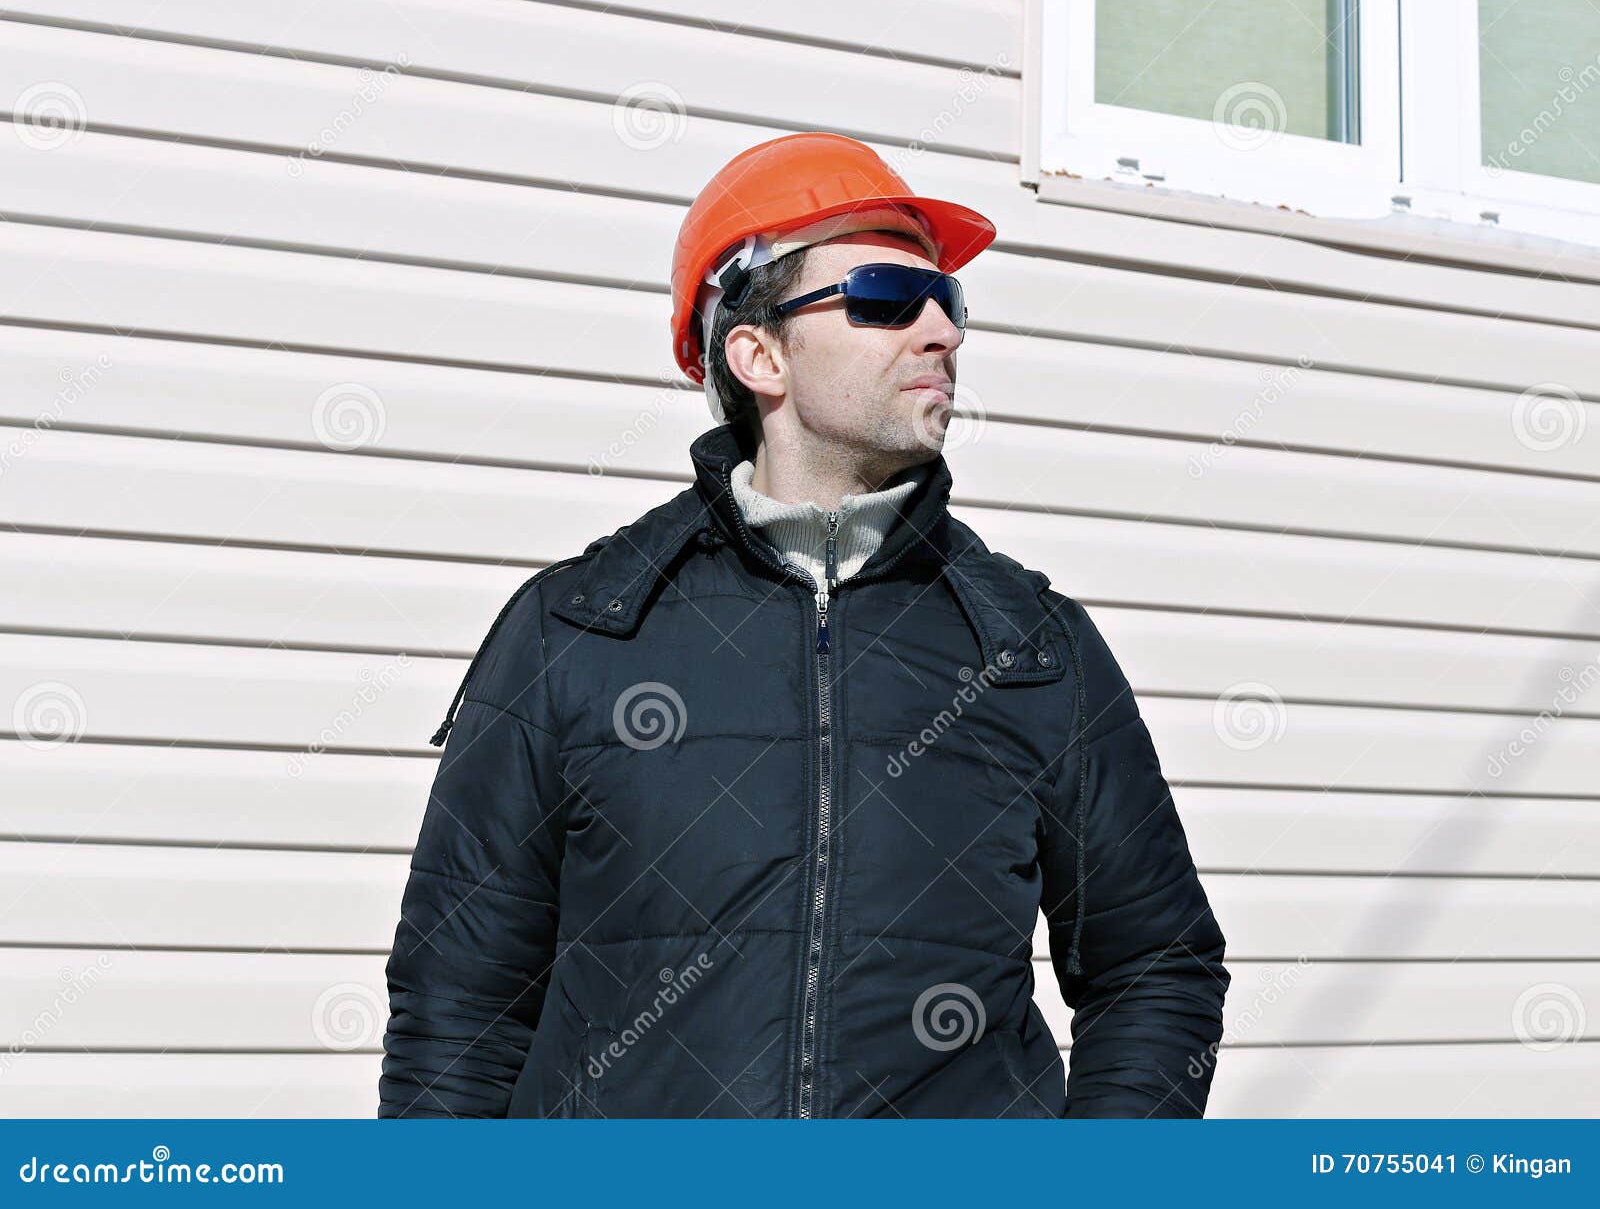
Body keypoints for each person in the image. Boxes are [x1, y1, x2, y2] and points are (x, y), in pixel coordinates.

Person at [378, 132, 1229, 1120]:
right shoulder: (575, 631)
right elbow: (458, 1003)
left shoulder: (1031, 651)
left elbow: (1155, 968)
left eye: (946, 302)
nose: (939, 332)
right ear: (758, 353)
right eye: (882, 297)